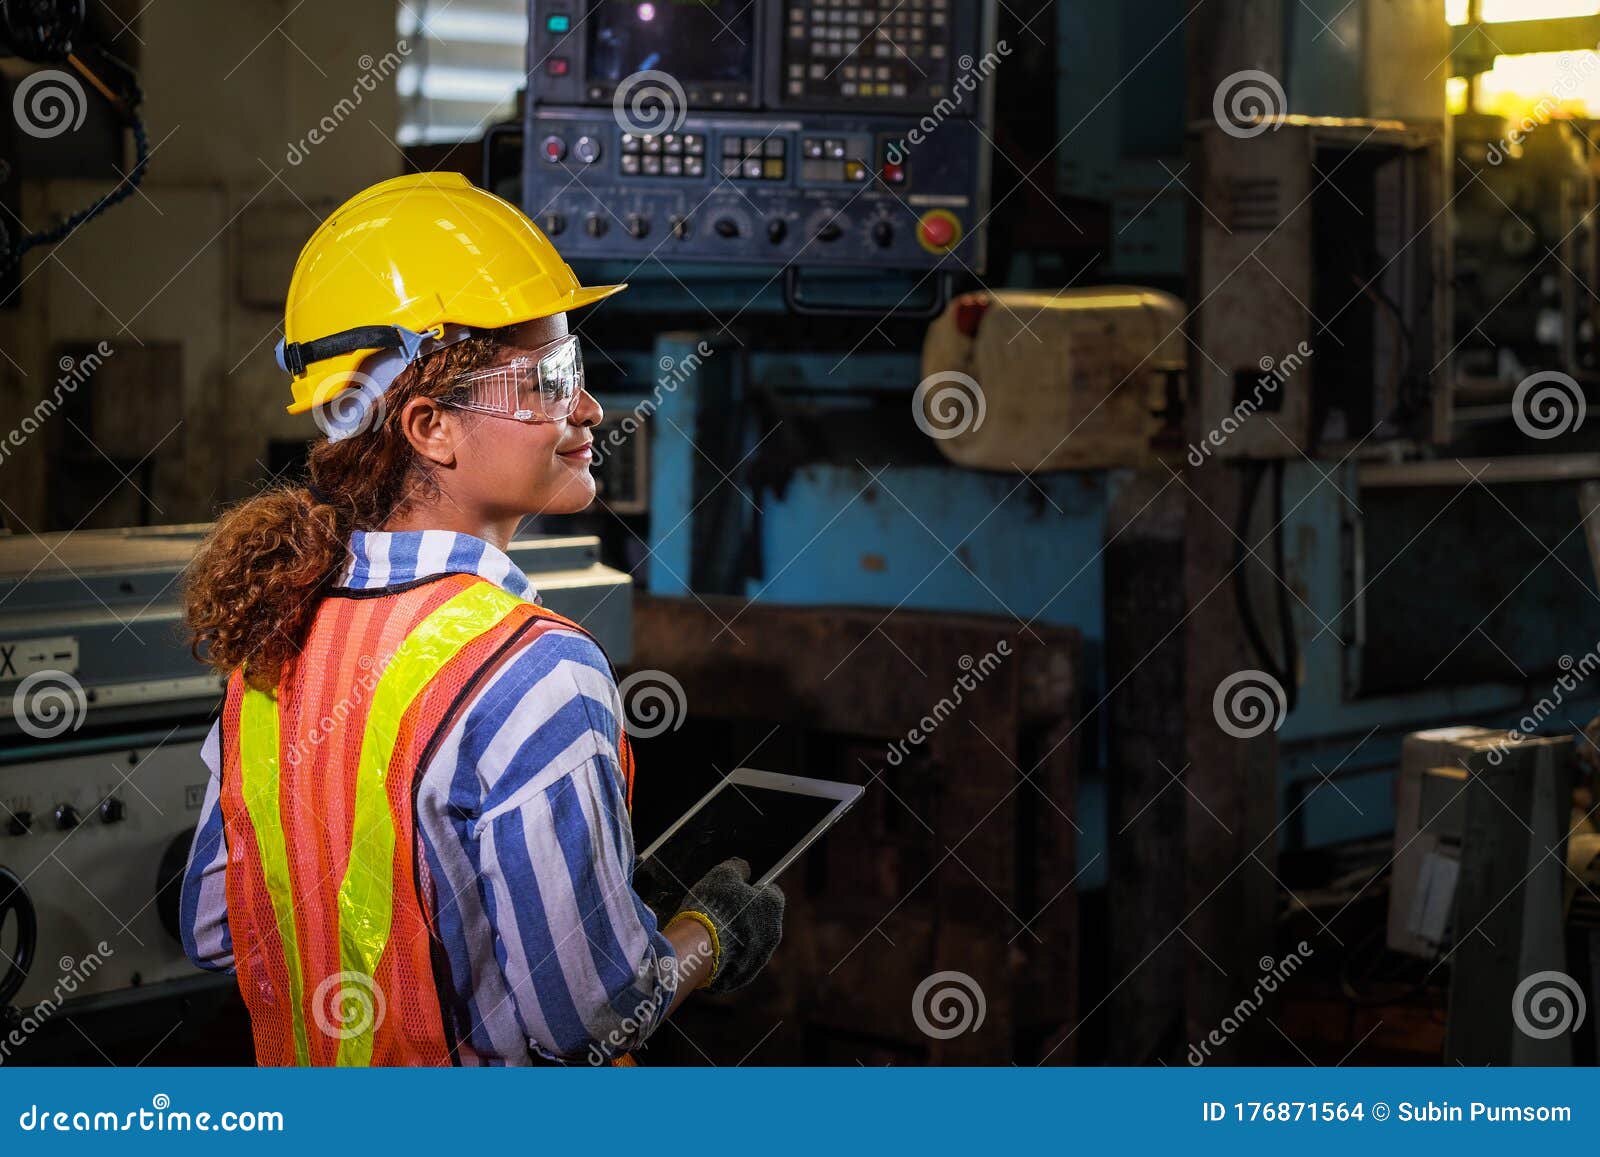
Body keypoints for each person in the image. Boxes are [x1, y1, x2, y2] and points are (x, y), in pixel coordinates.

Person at [177, 172, 784, 1066]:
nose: (587, 408)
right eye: (548, 378)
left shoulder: (277, 638)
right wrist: (706, 937)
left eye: (574, 370)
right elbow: (593, 1018)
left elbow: (220, 927)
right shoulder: (533, 672)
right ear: (430, 427)